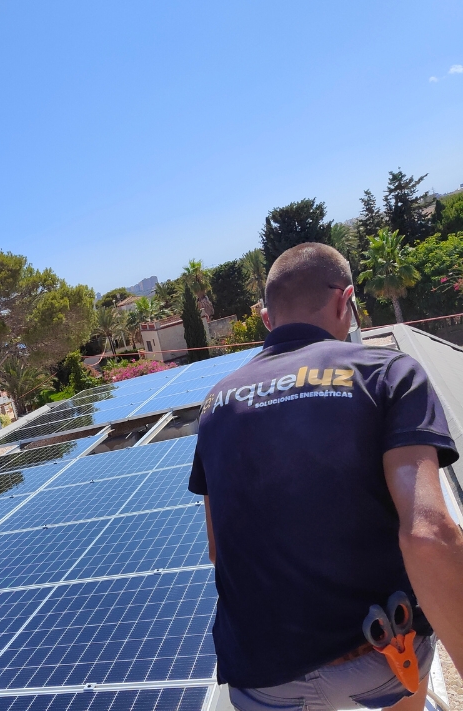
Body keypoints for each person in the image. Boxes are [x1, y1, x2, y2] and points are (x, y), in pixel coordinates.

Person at [188, 243, 463, 711]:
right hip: (379, 653)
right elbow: (427, 535)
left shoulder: (215, 404)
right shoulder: (388, 372)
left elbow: (219, 550)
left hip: (261, 674)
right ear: (345, 300)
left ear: (266, 319)